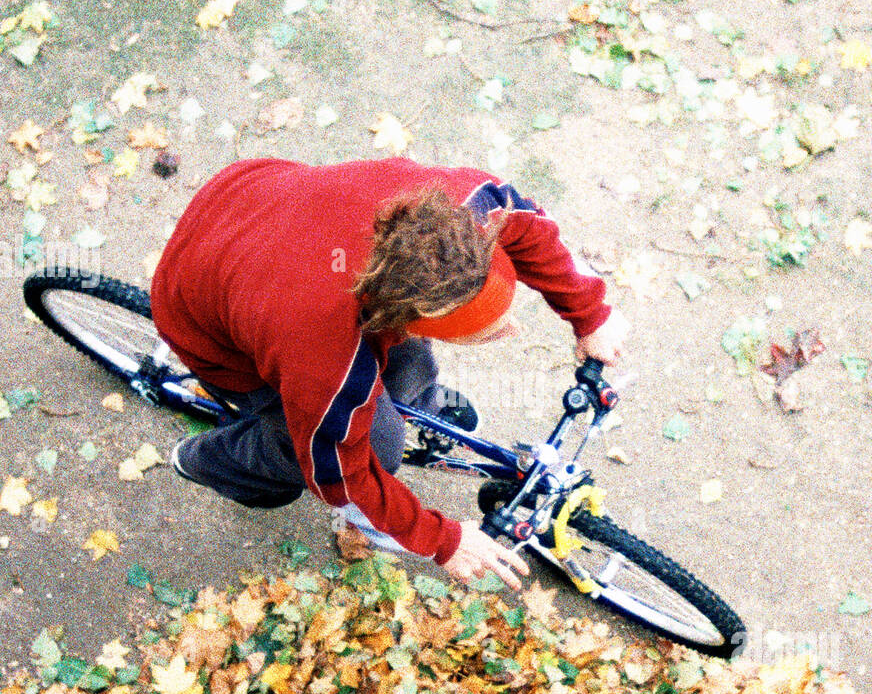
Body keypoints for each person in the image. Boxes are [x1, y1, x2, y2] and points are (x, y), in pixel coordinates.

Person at [149, 157, 629, 589]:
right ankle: (209, 460)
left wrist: (589, 315)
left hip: (249, 196)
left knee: (403, 370)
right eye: (483, 331)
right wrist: (441, 539)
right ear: (406, 319)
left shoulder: (457, 211)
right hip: (201, 308)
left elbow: (523, 224)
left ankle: (414, 397)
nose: (511, 329)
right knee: (372, 443)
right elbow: (339, 473)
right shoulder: (325, 359)